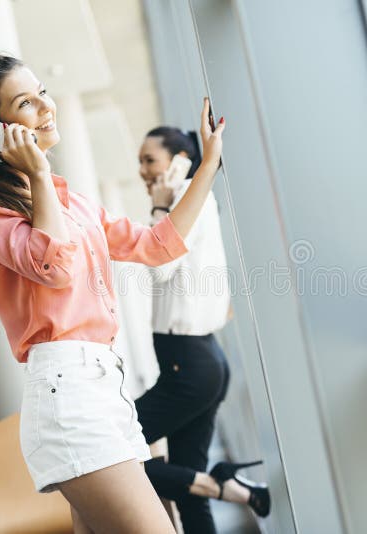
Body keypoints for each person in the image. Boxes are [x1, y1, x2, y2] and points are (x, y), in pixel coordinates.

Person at [0, 54, 225, 533]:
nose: (47, 107)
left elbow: (157, 245)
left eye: (43, 91)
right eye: (26, 102)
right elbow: (56, 267)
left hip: (106, 391)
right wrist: (39, 174)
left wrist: (208, 165)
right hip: (68, 396)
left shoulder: (74, 201)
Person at [134, 126, 270, 533]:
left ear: (179, 162)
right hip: (199, 362)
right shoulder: (196, 201)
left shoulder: (183, 202)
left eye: (149, 160)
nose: (142, 170)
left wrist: (159, 209)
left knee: (108, 452)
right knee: (189, 500)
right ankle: (221, 484)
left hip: (190, 368)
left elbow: (160, 267)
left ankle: (222, 486)